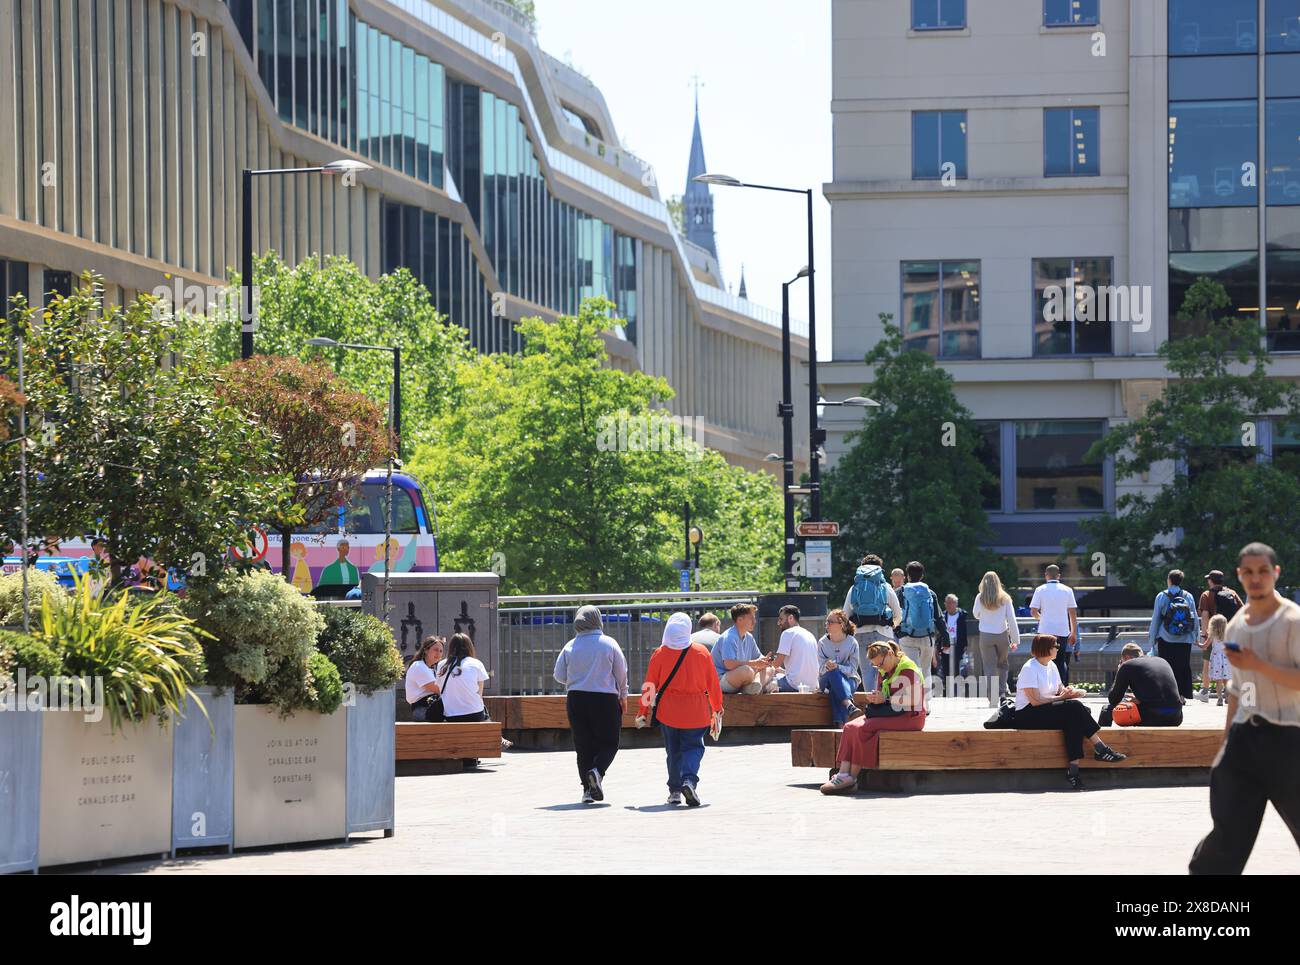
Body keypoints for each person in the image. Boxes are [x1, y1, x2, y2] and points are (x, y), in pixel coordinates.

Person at [1190, 542, 1300, 874]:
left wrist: (1259, 664)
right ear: (1239, 576)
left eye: (1263, 571)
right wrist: (1226, 743)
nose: (1256, 578)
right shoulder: (1237, 626)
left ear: (1275, 573)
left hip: (1289, 741)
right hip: (1244, 741)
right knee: (1227, 837)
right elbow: (1238, 692)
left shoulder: (1293, 620)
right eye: (1248, 572)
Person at [1014, 634, 1126, 789]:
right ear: (1046, 648)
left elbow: (1059, 690)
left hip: (1044, 709)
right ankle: (1100, 749)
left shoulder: (1052, 666)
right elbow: (1035, 701)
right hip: (1027, 714)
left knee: (1077, 714)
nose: (1059, 649)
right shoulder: (1029, 668)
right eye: (1056, 646)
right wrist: (1063, 698)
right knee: (1075, 709)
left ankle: (1074, 771)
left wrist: (1069, 692)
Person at [637, 612, 723, 806]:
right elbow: (713, 685)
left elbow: (649, 685)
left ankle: (675, 791)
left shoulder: (660, 653)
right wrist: (717, 709)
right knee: (694, 747)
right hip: (697, 711)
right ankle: (689, 780)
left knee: (673, 750)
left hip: (669, 711)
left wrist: (643, 711)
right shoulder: (701, 652)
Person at [819, 641, 927, 793]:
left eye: (880, 664)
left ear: (890, 654)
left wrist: (885, 699)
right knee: (850, 726)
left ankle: (851, 778)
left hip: (911, 717)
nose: (879, 669)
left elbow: (912, 700)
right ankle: (843, 774)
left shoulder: (908, 670)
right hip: (892, 713)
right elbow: (882, 695)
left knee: (863, 727)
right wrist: (876, 698)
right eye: (876, 666)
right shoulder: (885, 670)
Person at [554, 605, 629, 804]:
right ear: (598, 620)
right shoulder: (608, 643)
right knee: (609, 742)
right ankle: (597, 771)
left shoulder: (570, 645)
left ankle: (587, 791)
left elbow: (559, 675)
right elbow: (621, 673)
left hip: (576, 698)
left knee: (583, 745)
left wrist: (578, 678)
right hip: (604, 699)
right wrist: (623, 694)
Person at [843, 553, 901, 690]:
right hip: (883, 634)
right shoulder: (886, 587)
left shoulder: (855, 588)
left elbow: (845, 615)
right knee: (885, 670)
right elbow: (898, 614)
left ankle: (871, 704)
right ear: (880, 570)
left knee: (867, 673)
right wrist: (892, 625)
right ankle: (883, 704)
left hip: (861, 634)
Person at [435, 633, 491, 769]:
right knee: (480, 708)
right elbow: (479, 694)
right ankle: (473, 754)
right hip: (474, 714)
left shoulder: (442, 665)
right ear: (469, 647)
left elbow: (440, 688)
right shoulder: (476, 663)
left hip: (450, 715)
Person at [1145, 568, 1201, 700]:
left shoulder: (1161, 596)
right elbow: (1194, 617)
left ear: (1169, 580)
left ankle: (1169, 696)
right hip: (1185, 638)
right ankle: (1182, 696)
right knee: (1183, 667)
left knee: (1166, 668)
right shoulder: (1188, 596)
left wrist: (1152, 639)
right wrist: (1196, 636)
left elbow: (1156, 619)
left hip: (1166, 638)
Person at [1100, 643, 1183, 728]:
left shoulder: (1127, 665)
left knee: (1107, 710)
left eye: (1121, 660)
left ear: (1127, 657)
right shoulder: (1162, 661)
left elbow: (1113, 699)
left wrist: (1119, 671)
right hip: (1176, 715)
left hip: (1152, 717)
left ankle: (1102, 739)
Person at [972, 570, 1021, 706]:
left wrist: (985, 616)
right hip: (1002, 634)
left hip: (985, 635)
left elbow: (976, 614)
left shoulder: (980, 597)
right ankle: (1002, 694)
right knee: (1003, 664)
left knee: (989, 667)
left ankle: (992, 697)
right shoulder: (1005, 598)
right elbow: (1011, 619)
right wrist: (1015, 639)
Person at [896, 560, 948, 678]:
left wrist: (897, 631)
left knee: (911, 670)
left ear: (907, 576)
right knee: (925, 670)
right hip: (927, 637)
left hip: (907, 636)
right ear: (922, 576)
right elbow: (938, 617)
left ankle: (914, 695)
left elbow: (893, 614)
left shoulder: (900, 592)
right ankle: (926, 696)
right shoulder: (930, 593)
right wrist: (946, 637)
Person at [1197, 570, 1242, 701]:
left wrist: (1205, 635)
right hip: (1231, 635)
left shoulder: (1206, 595)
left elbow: (1205, 615)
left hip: (1215, 636)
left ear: (1211, 581)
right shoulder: (1232, 593)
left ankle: (1205, 692)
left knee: (1208, 663)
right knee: (1229, 665)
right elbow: (1242, 610)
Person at [712, 602, 776, 694]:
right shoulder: (729, 637)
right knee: (746, 670)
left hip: (741, 677)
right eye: (751, 618)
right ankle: (749, 688)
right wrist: (754, 664)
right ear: (740, 620)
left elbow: (758, 658)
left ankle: (754, 687)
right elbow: (729, 664)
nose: (754, 621)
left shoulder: (749, 637)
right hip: (721, 680)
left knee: (770, 668)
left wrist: (766, 661)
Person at [1030, 564, 1079, 685]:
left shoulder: (1040, 590)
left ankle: (1045, 686)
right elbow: (1072, 613)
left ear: (1046, 575)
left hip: (1044, 630)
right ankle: (1060, 686)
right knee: (1060, 660)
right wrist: (1073, 632)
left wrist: (1042, 619)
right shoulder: (1067, 590)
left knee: (1043, 660)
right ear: (1059, 576)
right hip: (1062, 631)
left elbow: (1033, 611)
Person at [818, 609, 863, 726]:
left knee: (835, 688)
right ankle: (849, 704)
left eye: (830, 622)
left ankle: (839, 723)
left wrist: (838, 667)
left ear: (841, 624)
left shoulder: (852, 642)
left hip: (849, 679)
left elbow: (853, 670)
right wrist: (828, 667)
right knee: (833, 673)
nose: (827, 624)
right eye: (826, 621)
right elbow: (821, 669)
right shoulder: (822, 642)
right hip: (826, 680)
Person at [772, 604, 820, 693]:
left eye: (781, 619)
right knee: (778, 674)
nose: (779, 623)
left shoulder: (787, 633)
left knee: (766, 680)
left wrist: (762, 666)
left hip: (794, 685)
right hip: (813, 686)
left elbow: (776, 664)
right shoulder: (810, 634)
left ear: (790, 618)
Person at [404, 635, 445, 721]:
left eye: (441, 651)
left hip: (432, 707)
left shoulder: (432, 668)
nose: (439, 653)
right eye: (435, 650)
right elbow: (438, 689)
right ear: (426, 650)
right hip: (423, 709)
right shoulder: (419, 666)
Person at [1198, 614, 1231, 706]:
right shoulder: (1228, 634)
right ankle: (1227, 696)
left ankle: (1220, 698)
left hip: (1216, 659)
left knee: (1218, 681)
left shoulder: (1212, 635)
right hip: (1226, 659)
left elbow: (1204, 646)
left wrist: (1197, 643)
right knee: (1226, 680)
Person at [937, 594, 969, 686]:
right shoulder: (942, 616)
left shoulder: (962, 616)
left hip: (958, 646)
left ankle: (958, 688)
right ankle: (947, 689)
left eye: (952, 603)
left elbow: (965, 632)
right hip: (945, 646)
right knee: (945, 668)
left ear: (956, 604)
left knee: (958, 668)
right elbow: (939, 633)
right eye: (947, 603)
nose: (949, 605)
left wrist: (965, 645)